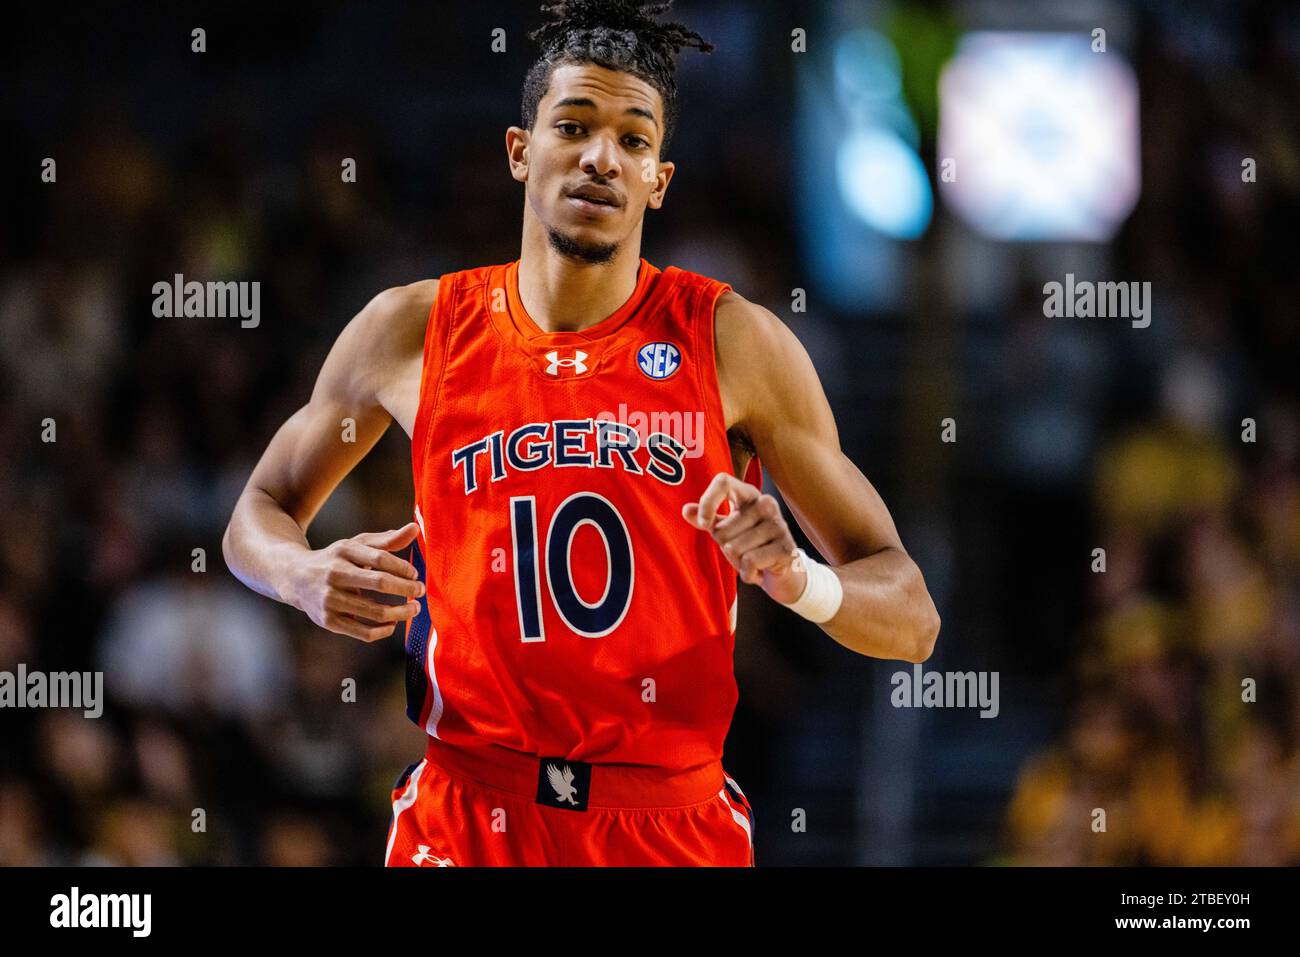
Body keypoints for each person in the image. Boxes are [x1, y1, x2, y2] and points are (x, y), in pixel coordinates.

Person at [223, 0, 940, 867]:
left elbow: (912, 618)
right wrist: (301, 574)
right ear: (520, 151)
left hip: (665, 821)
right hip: (468, 811)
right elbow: (256, 512)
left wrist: (798, 579)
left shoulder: (734, 342)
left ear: (658, 181)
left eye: (634, 139)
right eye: (573, 126)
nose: (603, 157)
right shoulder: (411, 329)